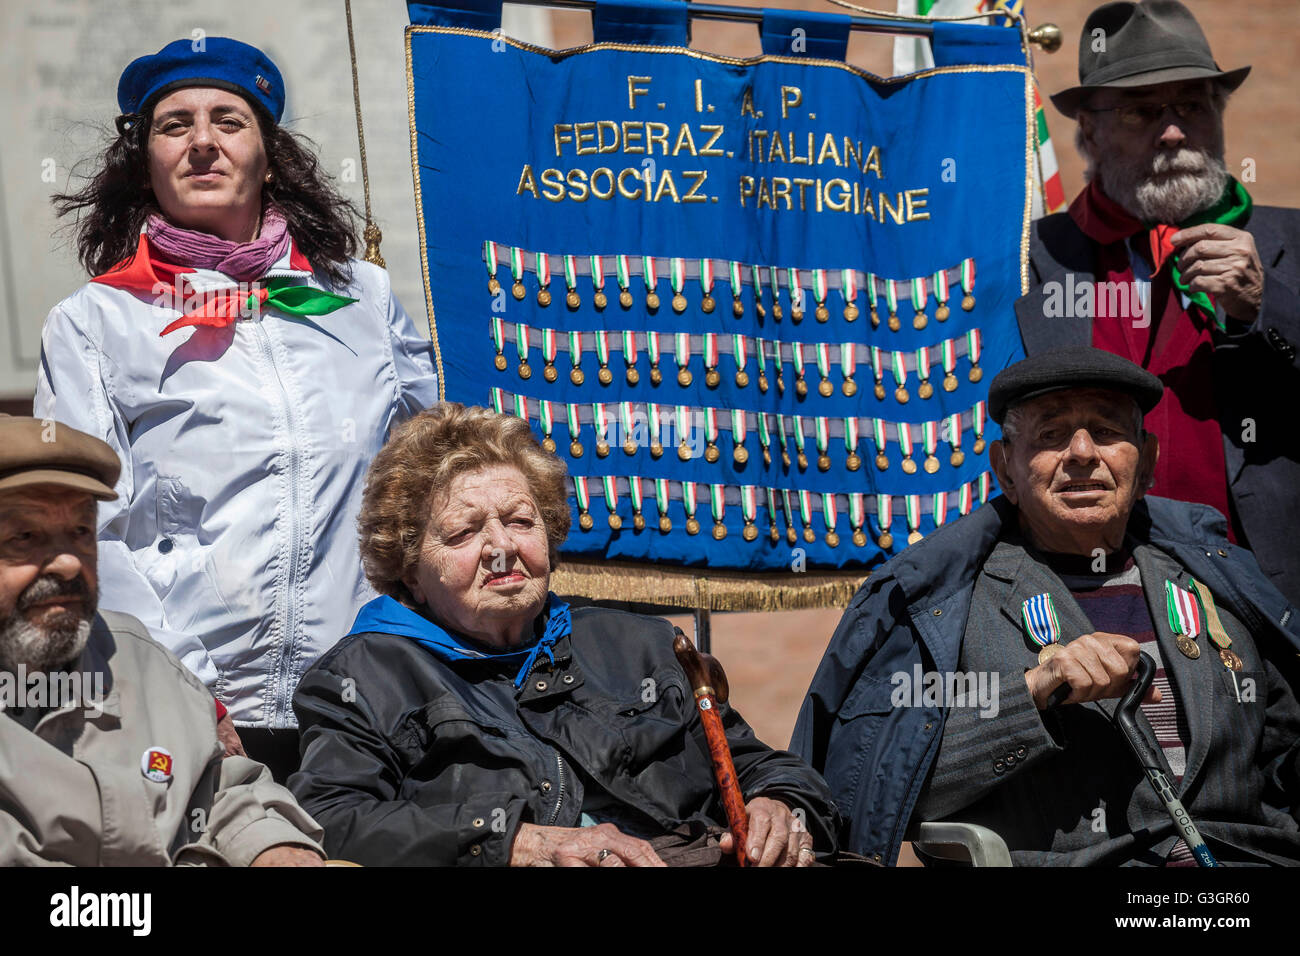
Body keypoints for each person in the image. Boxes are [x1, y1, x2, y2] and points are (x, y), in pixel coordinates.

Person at [36, 37, 439, 780]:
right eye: (173, 125)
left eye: (228, 120)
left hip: (368, 702)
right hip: (189, 710)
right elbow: (89, 522)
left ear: (269, 154)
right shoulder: (96, 321)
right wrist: (182, 687)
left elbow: (431, 478)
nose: (201, 143)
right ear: (144, 159)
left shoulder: (361, 301)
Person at [792, 347, 1300, 866]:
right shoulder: (953, 607)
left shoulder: (1215, 578)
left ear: (1146, 462)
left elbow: (1282, 749)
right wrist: (1030, 696)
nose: (1082, 452)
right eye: (1051, 435)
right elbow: (880, 788)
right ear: (1005, 469)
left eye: (1106, 432)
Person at [288, 403, 838, 866]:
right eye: (463, 532)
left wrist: (779, 807)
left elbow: (762, 766)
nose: (501, 547)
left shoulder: (643, 647)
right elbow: (332, 818)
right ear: (409, 567)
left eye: (522, 522)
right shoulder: (363, 679)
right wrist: (518, 842)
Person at [1014, 0, 1300, 607]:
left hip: (1272, 592)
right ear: (1089, 129)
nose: (1173, 131)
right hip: (1086, 598)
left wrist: (1266, 305)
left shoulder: (1290, 244)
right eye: (1142, 111)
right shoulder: (1032, 254)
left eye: (1192, 106)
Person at [0, 416, 324, 866]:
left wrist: (270, 845)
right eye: (25, 536)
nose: (70, 564)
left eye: (80, 532)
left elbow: (218, 787)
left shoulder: (136, 657)